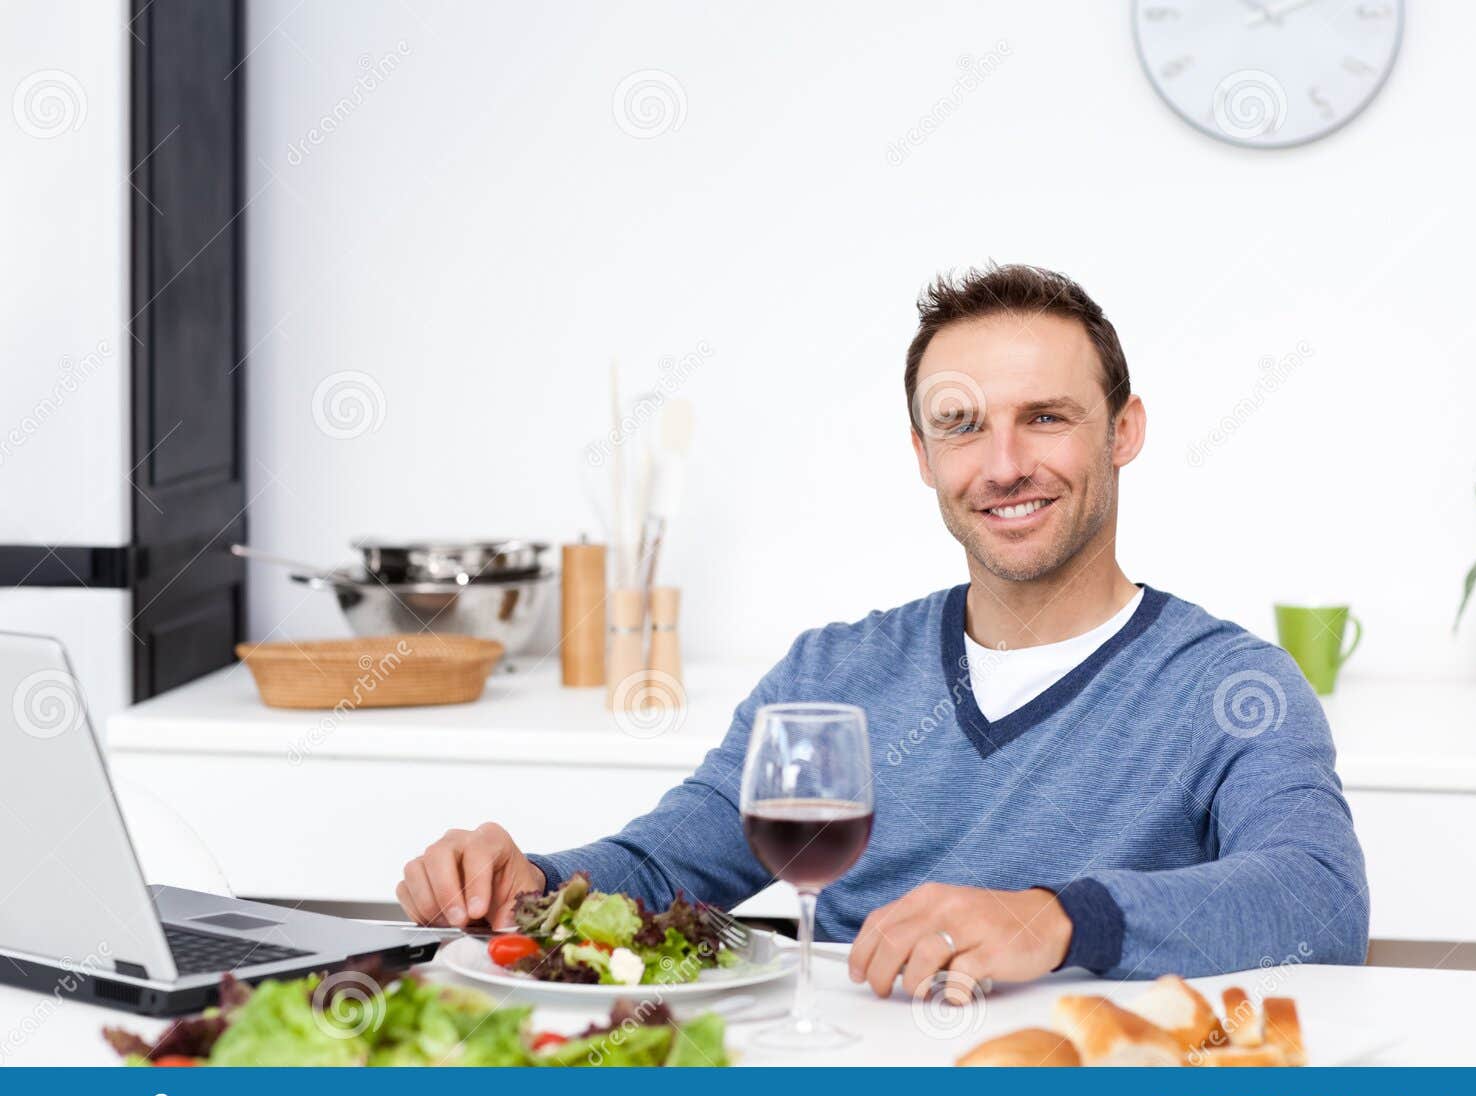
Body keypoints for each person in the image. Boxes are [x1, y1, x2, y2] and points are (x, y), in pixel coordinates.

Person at [397, 263, 1369, 1000]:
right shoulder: (833, 669)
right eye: (961, 425)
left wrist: (1057, 918)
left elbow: (1322, 900)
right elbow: (664, 865)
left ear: (1123, 431)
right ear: (921, 454)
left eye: (1045, 417)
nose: (1002, 463)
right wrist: (534, 882)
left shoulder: (1231, 683)